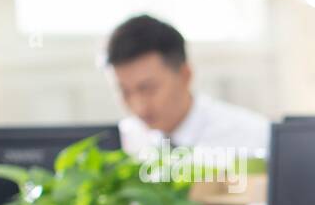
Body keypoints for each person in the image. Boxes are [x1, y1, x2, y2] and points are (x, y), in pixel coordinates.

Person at [106, 14, 269, 158]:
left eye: (148, 89)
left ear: (185, 75)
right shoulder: (122, 144)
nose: (139, 107)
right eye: (124, 91)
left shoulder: (253, 138)